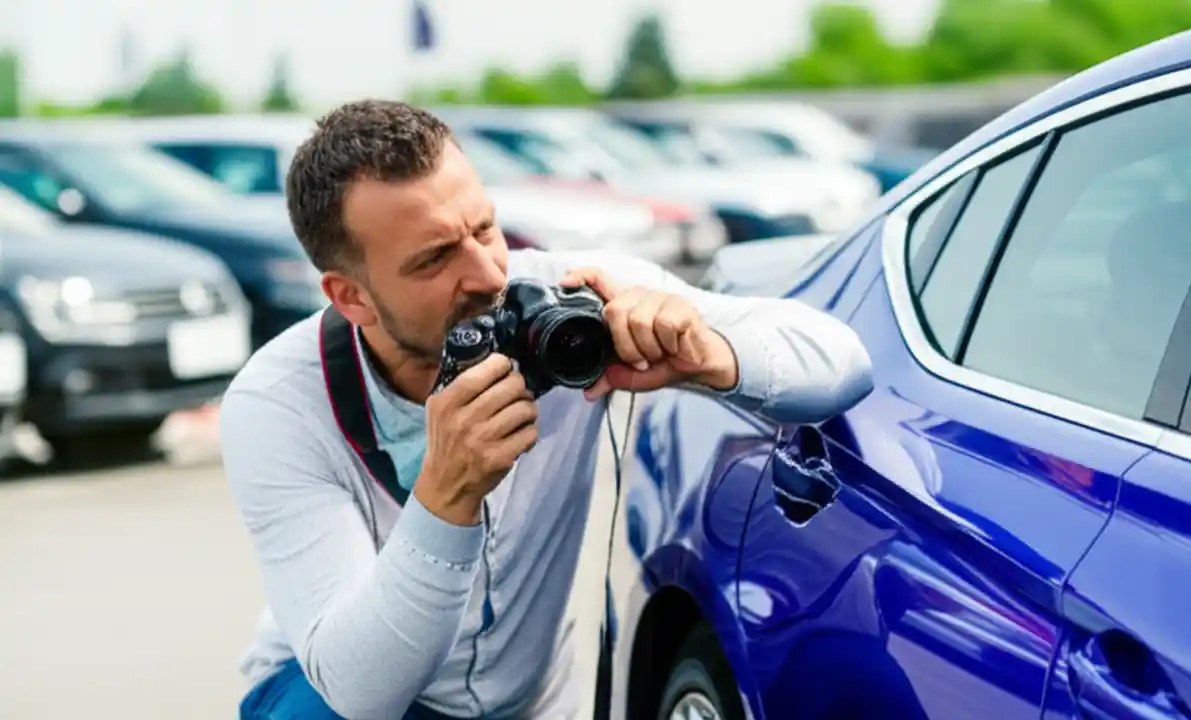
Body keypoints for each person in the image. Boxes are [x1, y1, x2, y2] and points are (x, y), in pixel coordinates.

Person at [220, 99, 874, 720]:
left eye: (484, 228)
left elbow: (842, 362)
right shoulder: (278, 404)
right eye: (435, 259)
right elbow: (361, 691)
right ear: (351, 297)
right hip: (334, 692)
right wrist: (446, 498)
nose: (485, 274)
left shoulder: (567, 299)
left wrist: (711, 353)